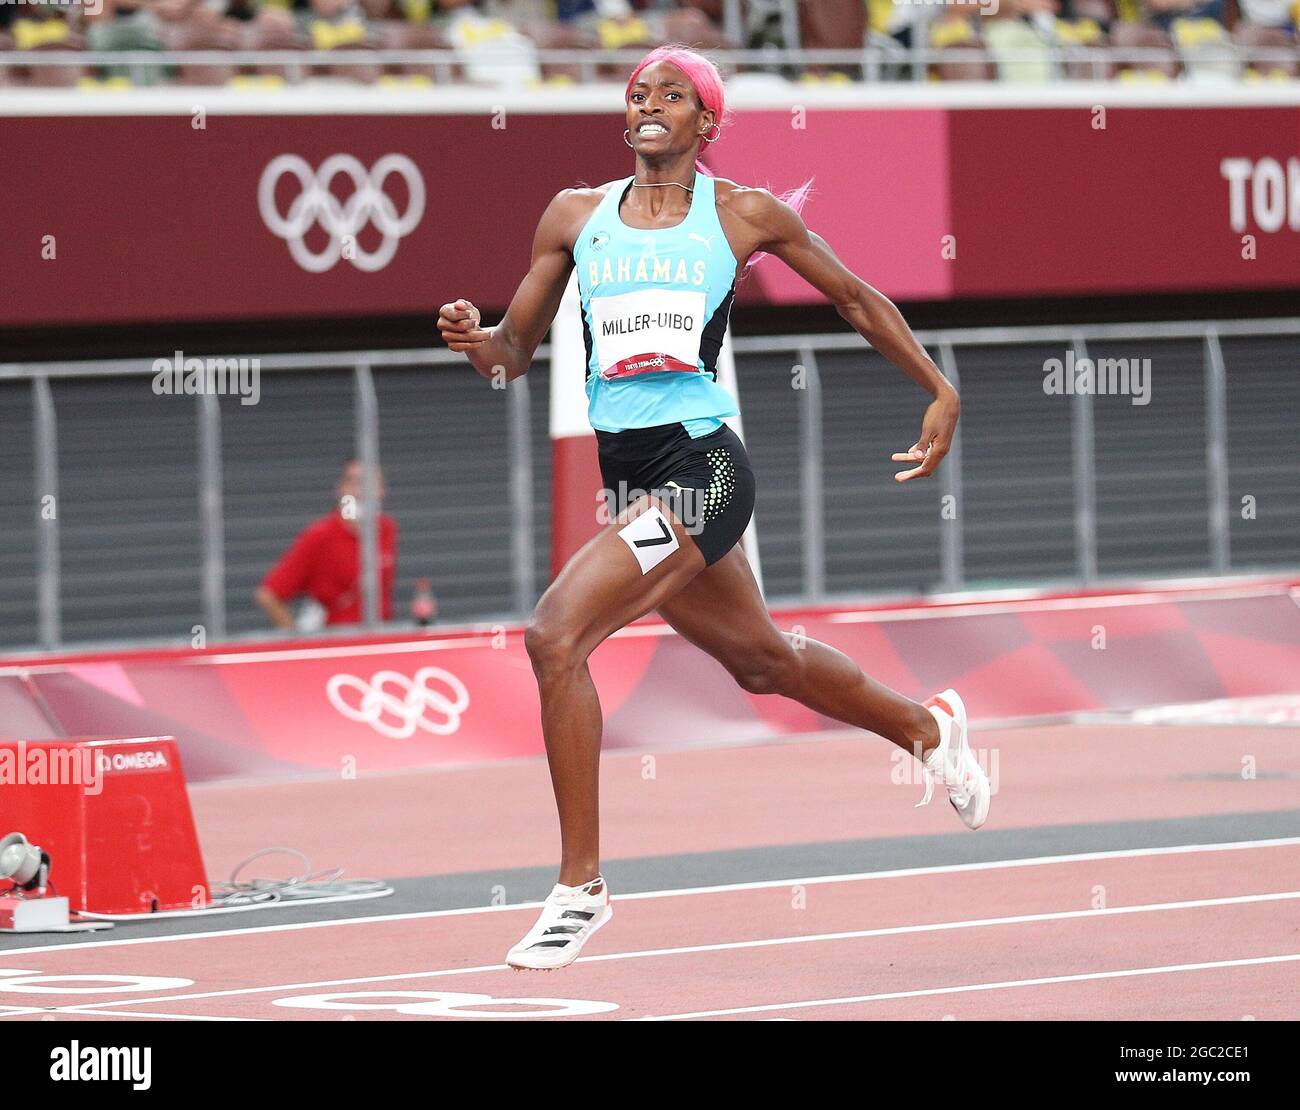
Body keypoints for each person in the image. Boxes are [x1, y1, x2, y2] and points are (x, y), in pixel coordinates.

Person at [437, 44, 990, 971]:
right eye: (637, 92)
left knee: (554, 636)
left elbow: (854, 298)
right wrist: (474, 341)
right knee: (765, 663)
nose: (650, 102)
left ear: (706, 123)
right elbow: (513, 356)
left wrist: (940, 389)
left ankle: (579, 890)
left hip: (705, 470)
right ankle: (929, 730)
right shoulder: (575, 217)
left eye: (673, 94)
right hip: (630, 481)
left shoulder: (742, 217)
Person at [255, 459, 398, 630]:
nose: (362, 491)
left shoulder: (386, 529)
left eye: (371, 483)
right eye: (354, 482)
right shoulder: (321, 535)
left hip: (379, 636)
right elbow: (269, 595)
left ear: (382, 490)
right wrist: (298, 639)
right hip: (337, 640)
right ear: (341, 489)